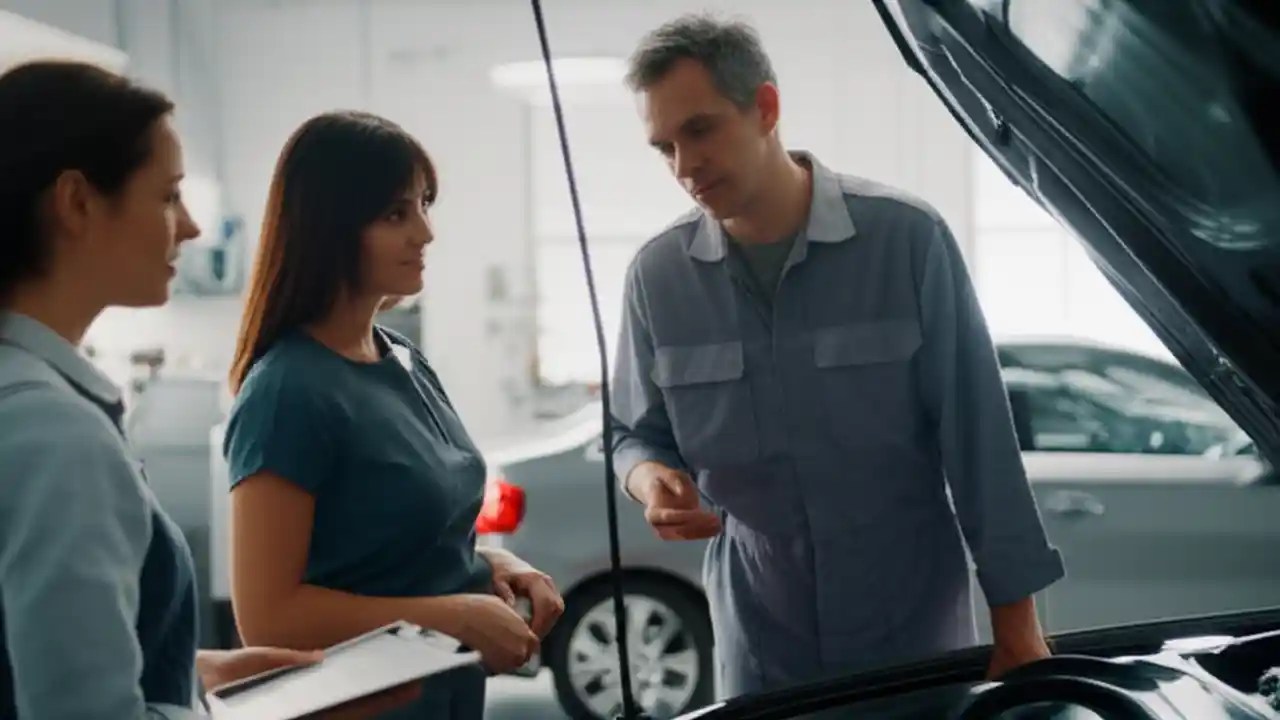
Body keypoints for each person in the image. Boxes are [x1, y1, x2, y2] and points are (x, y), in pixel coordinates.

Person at [609, 14, 1066, 698]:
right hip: (758, 635)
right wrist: (651, 479)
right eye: (663, 147)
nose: (684, 166)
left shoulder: (907, 242)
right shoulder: (657, 277)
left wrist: (1017, 623)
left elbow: (980, 443)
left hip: (910, 630)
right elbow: (631, 433)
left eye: (699, 130)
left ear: (765, 107)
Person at [0, 61, 415, 719]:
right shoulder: (55, 435)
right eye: (167, 196)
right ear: (77, 202)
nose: (191, 227)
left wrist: (197, 675)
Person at [221, 110, 565, 719]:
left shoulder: (401, 356)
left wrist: (491, 567)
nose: (425, 233)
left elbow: (400, 552)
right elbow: (269, 616)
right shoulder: (288, 391)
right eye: (395, 215)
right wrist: (452, 613)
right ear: (330, 229)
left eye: (424, 206)